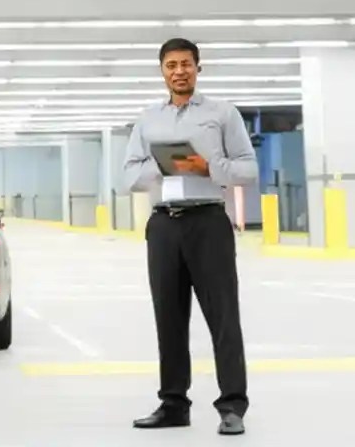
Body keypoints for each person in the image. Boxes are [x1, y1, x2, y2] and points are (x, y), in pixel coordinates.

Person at [122, 37, 258, 436]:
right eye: (171, 65)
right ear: (162, 71)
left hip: (208, 222)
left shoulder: (222, 114)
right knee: (168, 317)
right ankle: (173, 404)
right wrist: (165, 165)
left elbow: (248, 170)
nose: (179, 71)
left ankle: (232, 406)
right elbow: (128, 176)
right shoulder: (148, 120)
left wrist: (207, 166)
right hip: (164, 225)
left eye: (186, 64)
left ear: (198, 67)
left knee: (223, 317)